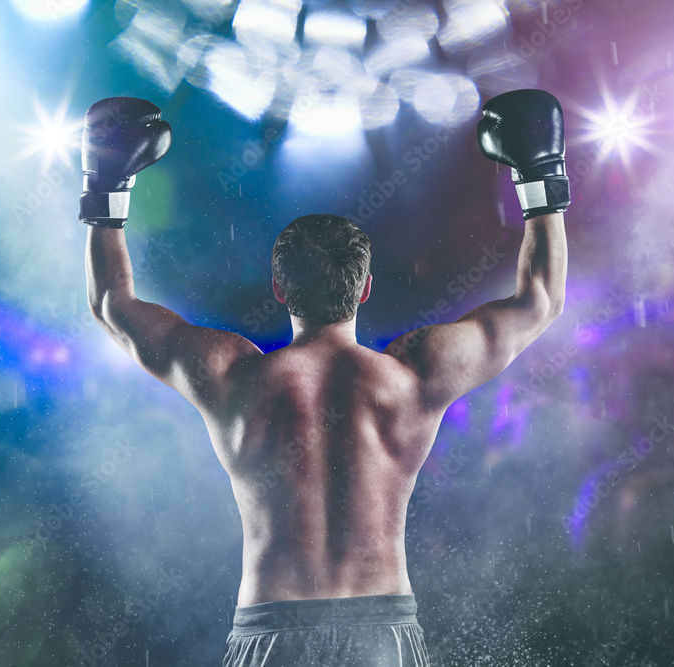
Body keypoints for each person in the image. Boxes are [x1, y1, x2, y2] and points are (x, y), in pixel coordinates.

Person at [80, 89, 569, 666]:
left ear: (281, 290)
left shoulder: (232, 377)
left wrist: (107, 182)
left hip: (271, 629)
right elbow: (541, 300)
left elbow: (113, 303)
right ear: (364, 289)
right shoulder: (412, 379)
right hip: (379, 634)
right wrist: (540, 177)